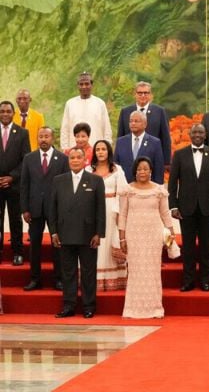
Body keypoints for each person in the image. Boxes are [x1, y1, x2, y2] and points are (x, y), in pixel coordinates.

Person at [168, 124, 209, 292]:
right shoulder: (179, 155)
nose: (198, 135)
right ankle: (188, 281)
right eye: (195, 132)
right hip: (186, 208)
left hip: (208, 207)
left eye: (201, 132)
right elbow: (172, 184)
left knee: (206, 246)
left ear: (205, 134)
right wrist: (173, 206)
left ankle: (206, 280)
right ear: (190, 134)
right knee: (188, 247)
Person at [51, 148, 106, 318]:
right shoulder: (58, 180)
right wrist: (53, 232)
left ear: (85, 160)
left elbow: (100, 210)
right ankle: (68, 306)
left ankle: (89, 306)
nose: (75, 160)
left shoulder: (95, 181)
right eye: (72, 158)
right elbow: (52, 209)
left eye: (78, 157)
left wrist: (99, 233)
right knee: (68, 272)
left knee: (88, 272)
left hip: (88, 235)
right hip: (65, 234)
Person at [118, 157, 175, 318]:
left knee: (153, 271)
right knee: (135, 271)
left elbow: (165, 213)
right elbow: (122, 215)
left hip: (153, 236)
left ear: (151, 171)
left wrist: (171, 233)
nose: (142, 172)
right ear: (135, 171)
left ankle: (155, 308)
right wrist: (122, 238)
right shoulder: (128, 190)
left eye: (145, 169)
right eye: (139, 169)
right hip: (133, 235)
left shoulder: (159, 191)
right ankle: (132, 308)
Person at [20, 126, 67, 290]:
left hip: (56, 210)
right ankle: (35, 279)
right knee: (34, 245)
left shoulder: (62, 159)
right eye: (41, 136)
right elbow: (24, 185)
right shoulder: (29, 158)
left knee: (57, 245)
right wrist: (24, 209)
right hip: (34, 209)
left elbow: (66, 187)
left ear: (52, 138)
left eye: (46, 136)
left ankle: (59, 279)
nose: (43, 139)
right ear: (37, 138)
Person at [89, 140, 129, 291]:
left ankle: (114, 279)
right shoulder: (88, 169)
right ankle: (95, 280)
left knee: (110, 243)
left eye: (103, 149)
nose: (100, 152)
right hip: (92, 212)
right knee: (96, 244)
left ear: (108, 152)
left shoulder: (117, 169)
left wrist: (119, 213)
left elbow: (123, 193)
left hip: (112, 211)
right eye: (97, 149)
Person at [0, 100, 30, 265]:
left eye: (8, 111)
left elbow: (26, 159)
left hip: (15, 184)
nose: (5, 114)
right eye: (2, 111)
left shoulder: (22, 133)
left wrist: (11, 177)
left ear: (13, 113)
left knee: (15, 220)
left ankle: (18, 252)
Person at [117, 81, 172, 166]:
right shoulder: (125, 111)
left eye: (146, 93)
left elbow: (165, 138)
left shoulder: (159, 111)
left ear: (150, 95)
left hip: (153, 159)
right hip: (129, 160)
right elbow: (120, 136)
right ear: (135, 94)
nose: (143, 95)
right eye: (140, 93)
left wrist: (167, 162)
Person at [60, 72, 112, 149]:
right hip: (75, 152)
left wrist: (107, 148)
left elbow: (107, 129)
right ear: (78, 86)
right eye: (81, 84)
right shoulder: (70, 104)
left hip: (96, 150)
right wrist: (65, 149)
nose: (84, 87)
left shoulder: (100, 103)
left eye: (87, 84)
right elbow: (65, 129)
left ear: (92, 85)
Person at [113, 110, 165, 184]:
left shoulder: (155, 142)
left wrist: (158, 189)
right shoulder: (121, 142)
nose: (133, 123)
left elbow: (158, 169)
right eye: (131, 121)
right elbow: (115, 166)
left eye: (136, 121)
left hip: (147, 189)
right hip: (125, 187)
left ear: (145, 124)